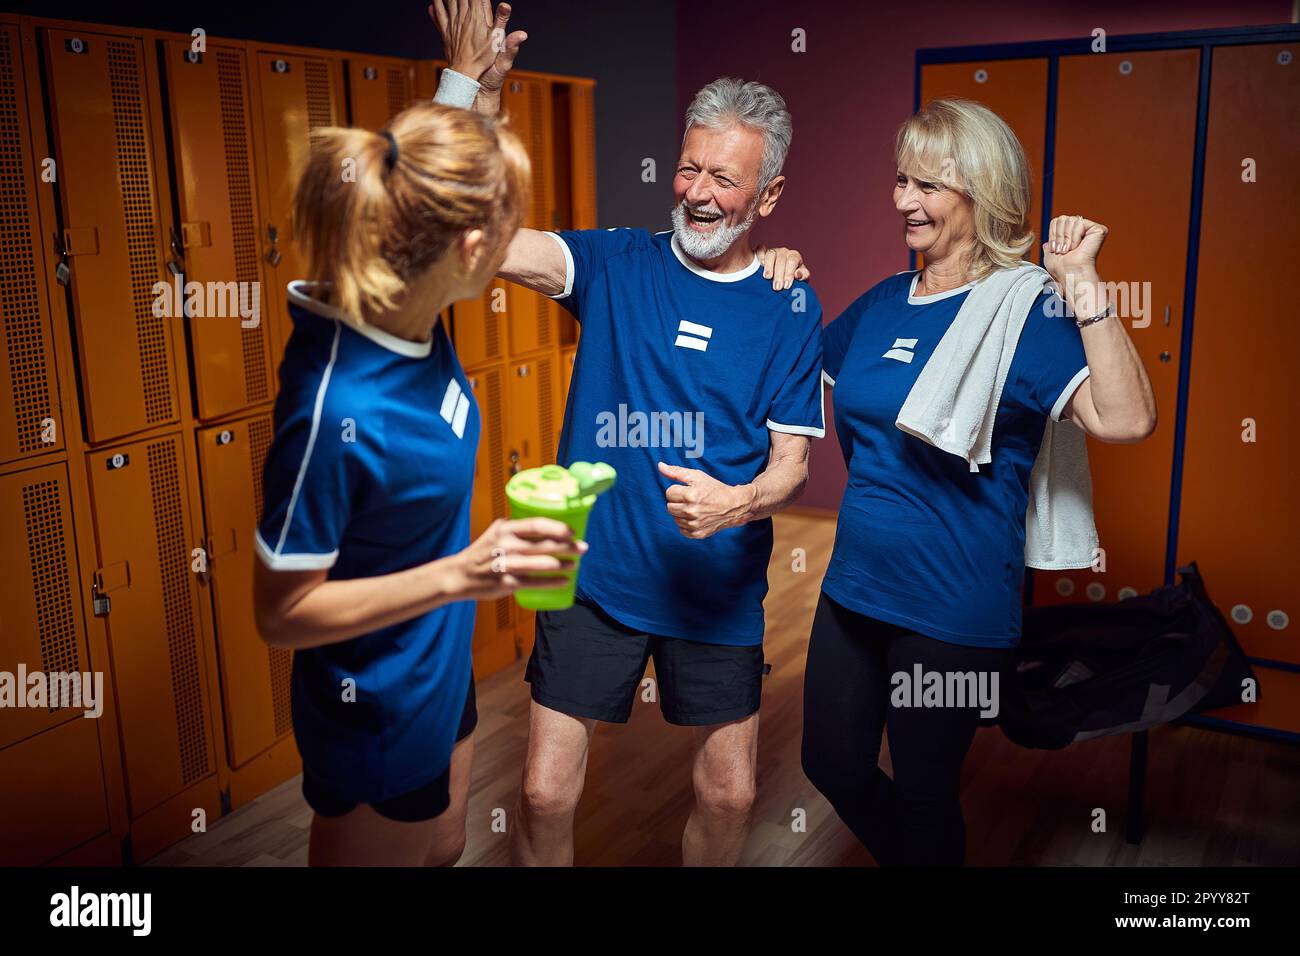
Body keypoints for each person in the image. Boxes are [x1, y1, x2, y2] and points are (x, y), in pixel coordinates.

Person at [458, 54, 822, 862]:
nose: (697, 192)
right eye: (689, 167)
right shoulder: (614, 265)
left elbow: (792, 467)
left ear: (769, 197)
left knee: (729, 794)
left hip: (715, 585)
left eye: (724, 179)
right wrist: (482, 102)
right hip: (597, 576)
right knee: (543, 791)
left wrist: (738, 503)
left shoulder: (788, 302)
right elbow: (476, 232)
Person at [251, 0, 578, 867]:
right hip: (373, 702)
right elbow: (280, 614)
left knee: (440, 853)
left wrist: (471, 85)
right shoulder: (336, 404)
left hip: (436, 668)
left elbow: (427, 183)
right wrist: (464, 575)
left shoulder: (413, 299)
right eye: (507, 226)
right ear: (472, 252)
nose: (520, 240)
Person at [801, 98, 1157, 866]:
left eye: (925, 185)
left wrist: (1083, 283)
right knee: (830, 764)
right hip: (854, 588)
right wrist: (775, 278)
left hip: (953, 609)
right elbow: (794, 369)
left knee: (926, 787)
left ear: (982, 193)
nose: (902, 200)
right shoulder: (883, 302)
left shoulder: (1024, 312)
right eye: (900, 180)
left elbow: (1126, 420)